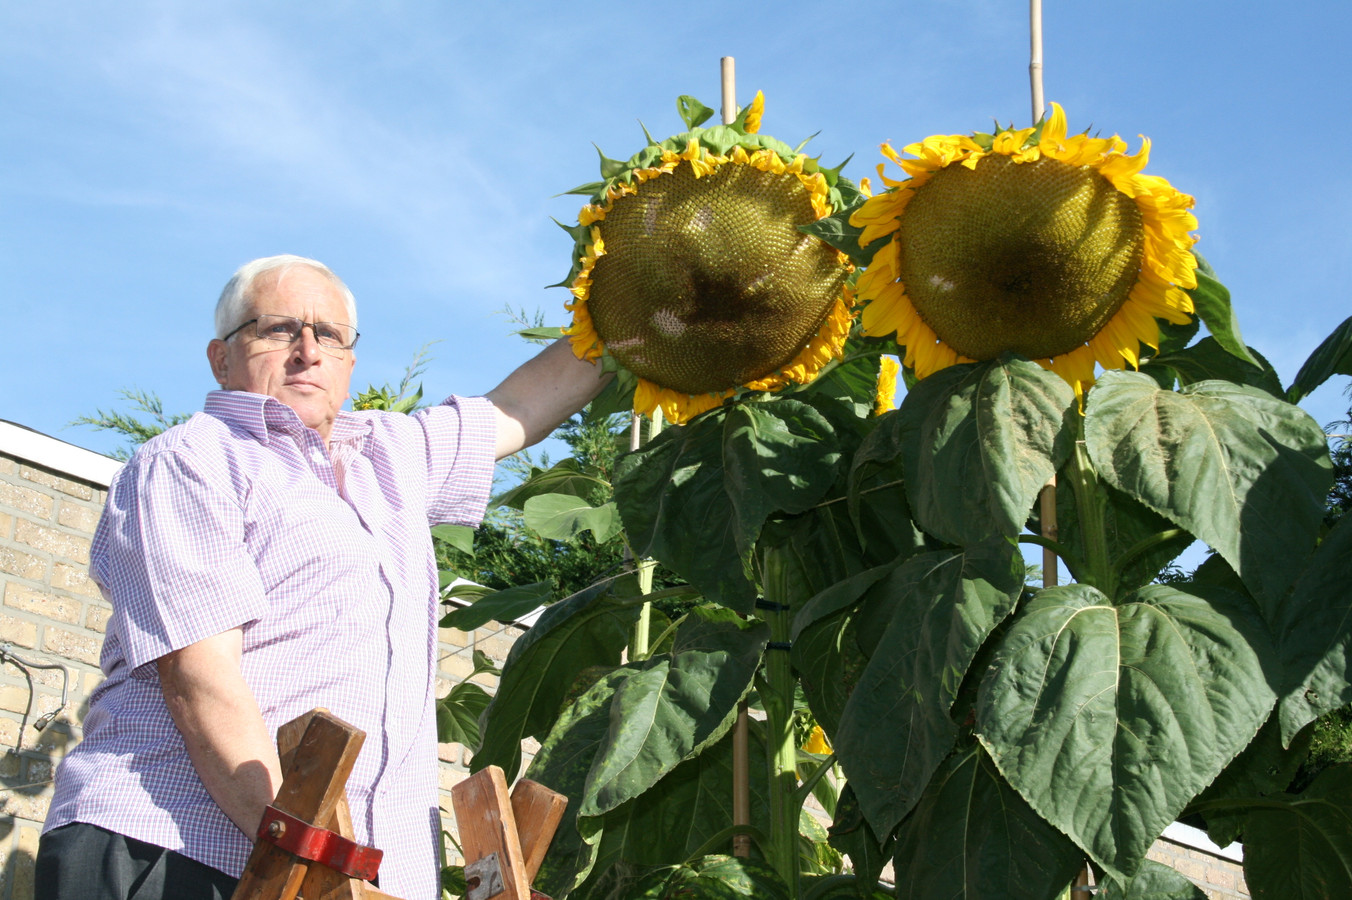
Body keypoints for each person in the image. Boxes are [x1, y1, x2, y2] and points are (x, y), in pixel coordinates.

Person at [35, 255, 610, 900]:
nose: (307, 351)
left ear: (350, 362)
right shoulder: (193, 461)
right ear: (221, 358)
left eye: (329, 335)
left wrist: (633, 312)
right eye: (277, 329)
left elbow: (516, 408)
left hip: (341, 876)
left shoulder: (391, 459)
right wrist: (302, 850)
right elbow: (202, 678)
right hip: (182, 852)